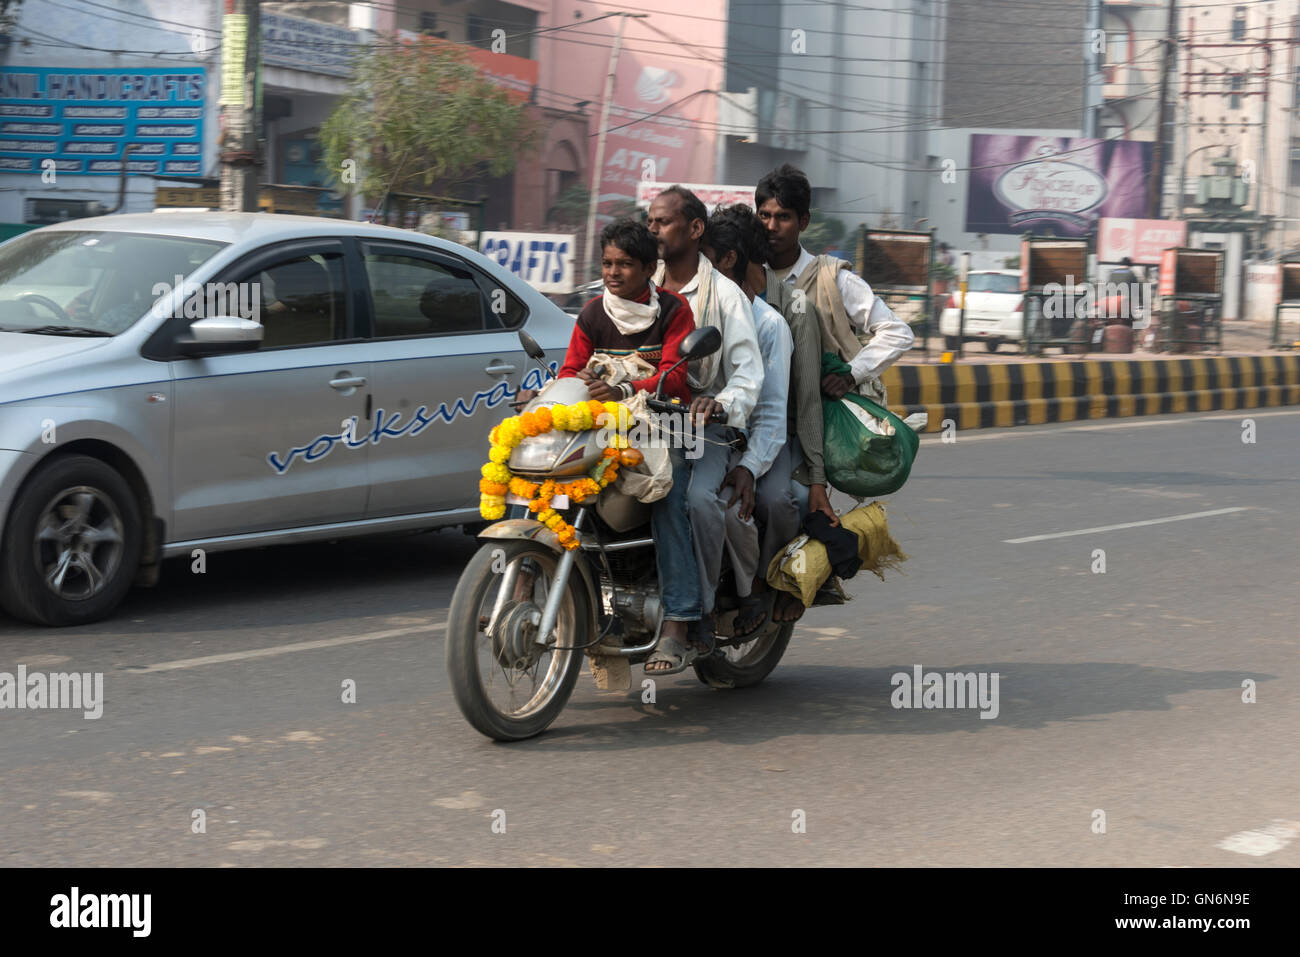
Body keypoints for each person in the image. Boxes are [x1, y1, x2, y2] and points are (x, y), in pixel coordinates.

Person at [522, 219, 703, 650]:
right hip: (603, 425)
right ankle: (521, 590)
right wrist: (551, 393)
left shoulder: (675, 311)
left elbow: (675, 378)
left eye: (624, 264)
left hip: (664, 425)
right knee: (543, 481)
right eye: (606, 263)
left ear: (648, 268)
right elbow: (570, 370)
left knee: (669, 499)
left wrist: (626, 387)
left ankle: (678, 620)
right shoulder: (592, 313)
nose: (612, 273)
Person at [756, 164, 915, 619]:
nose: (772, 226)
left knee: (791, 498)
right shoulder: (746, 279)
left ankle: (804, 578)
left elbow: (897, 332)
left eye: (783, 216)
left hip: (818, 420)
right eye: (764, 215)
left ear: (803, 221)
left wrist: (849, 371)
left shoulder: (833, 279)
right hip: (761, 416)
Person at [645, 185, 765, 671]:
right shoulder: (639, 284)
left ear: (695, 230)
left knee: (683, 497)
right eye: (649, 221)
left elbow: (748, 372)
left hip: (701, 428)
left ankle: (687, 618)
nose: (653, 229)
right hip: (639, 419)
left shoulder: (727, 296)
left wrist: (720, 404)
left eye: (663, 221)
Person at [700, 203, 800, 636]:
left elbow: (772, 412)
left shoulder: (769, 325)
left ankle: (760, 586)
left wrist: (747, 467)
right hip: (698, 435)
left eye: (699, 256)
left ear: (726, 260)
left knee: (754, 503)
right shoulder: (688, 307)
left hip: (750, 441)